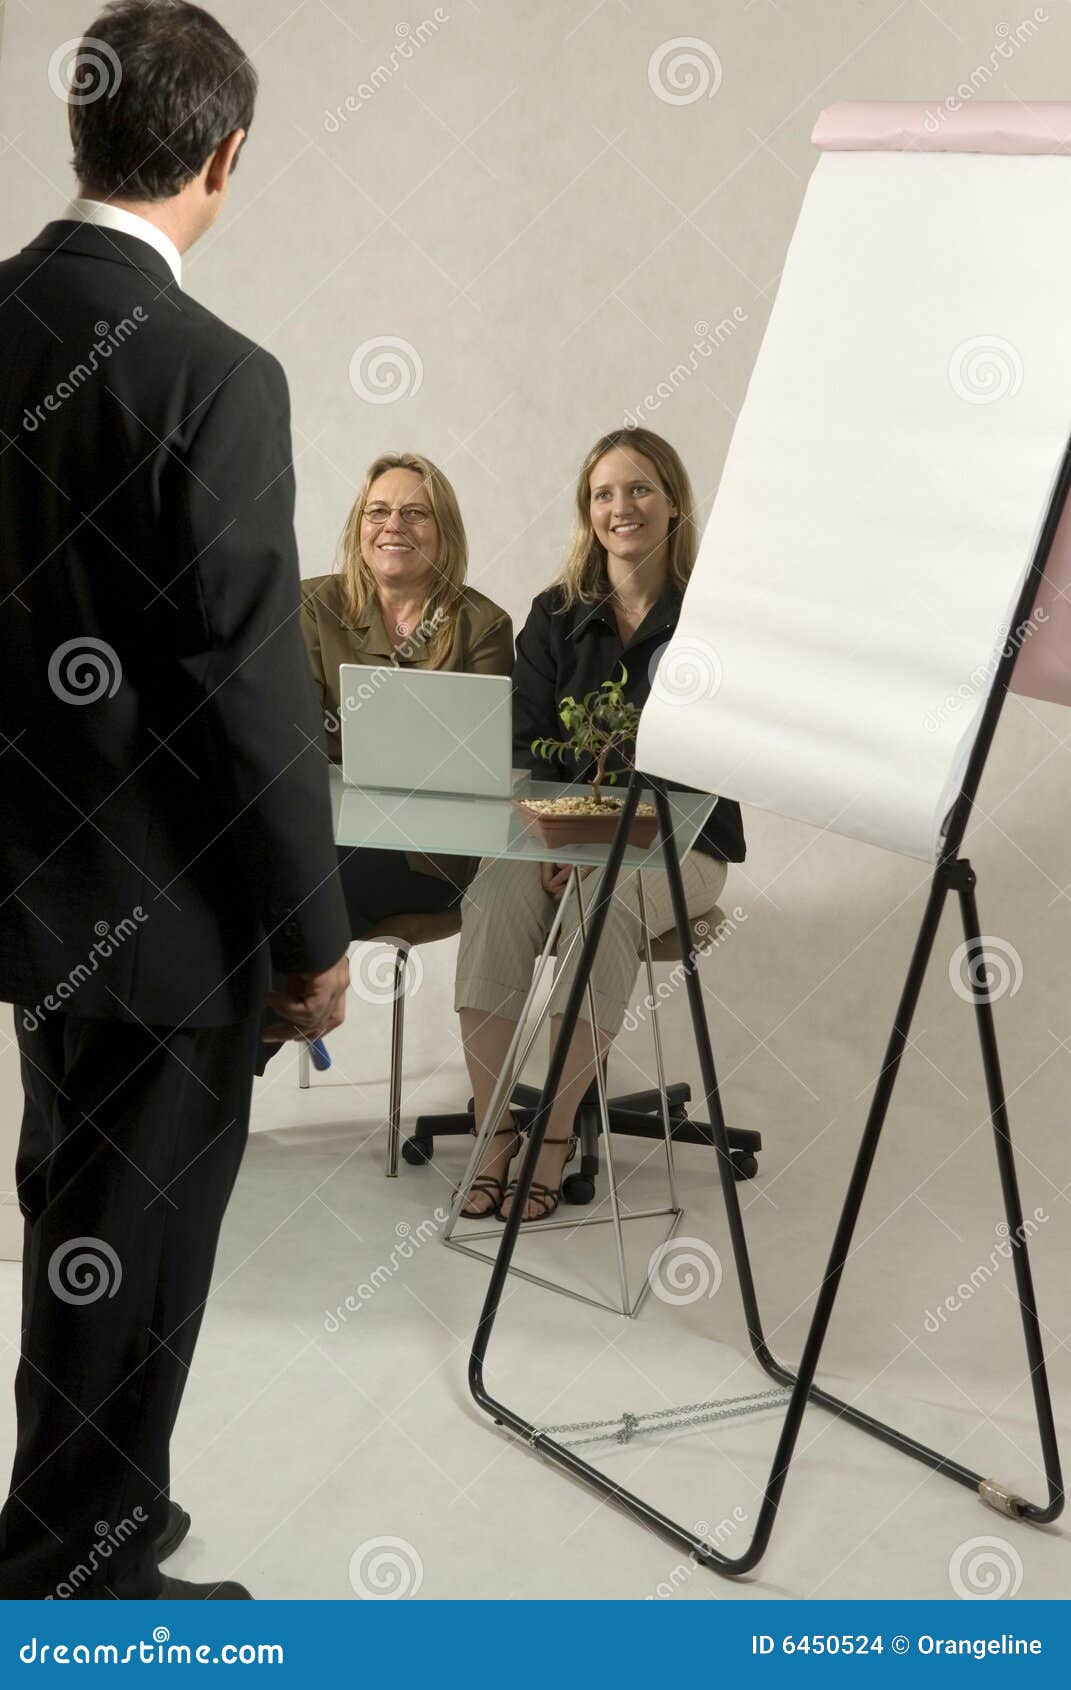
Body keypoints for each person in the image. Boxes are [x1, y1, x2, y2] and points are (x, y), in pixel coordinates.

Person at [0, 1, 350, 1598]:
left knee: (76, 1211)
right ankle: (74, 1572)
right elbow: (246, 682)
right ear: (225, 157)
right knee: (131, 1249)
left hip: (33, 892)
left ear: (82, 130)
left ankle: (84, 1518)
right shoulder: (214, 373)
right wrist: (313, 932)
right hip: (171, 912)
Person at [453, 428, 746, 1222]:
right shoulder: (553, 616)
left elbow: (707, 769)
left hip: (684, 845)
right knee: (493, 896)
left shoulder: (713, 620)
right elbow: (523, 749)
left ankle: (551, 1138)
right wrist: (561, 837)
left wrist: (601, 847)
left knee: (603, 902)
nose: (622, 507)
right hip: (556, 834)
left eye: (639, 488)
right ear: (587, 511)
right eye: (603, 494)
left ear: (673, 501)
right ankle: (493, 1133)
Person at [254, 452, 513, 1076]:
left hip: (432, 854)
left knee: (293, 894)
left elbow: (483, 761)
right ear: (359, 526)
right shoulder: (313, 605)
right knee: (256, 883)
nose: (393, 524)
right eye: (378, 511)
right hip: (331, 836)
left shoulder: (481, 624)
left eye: (415, 513)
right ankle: (253, 1042)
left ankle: (241, 1062)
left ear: (443, 530)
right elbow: (296, 739)